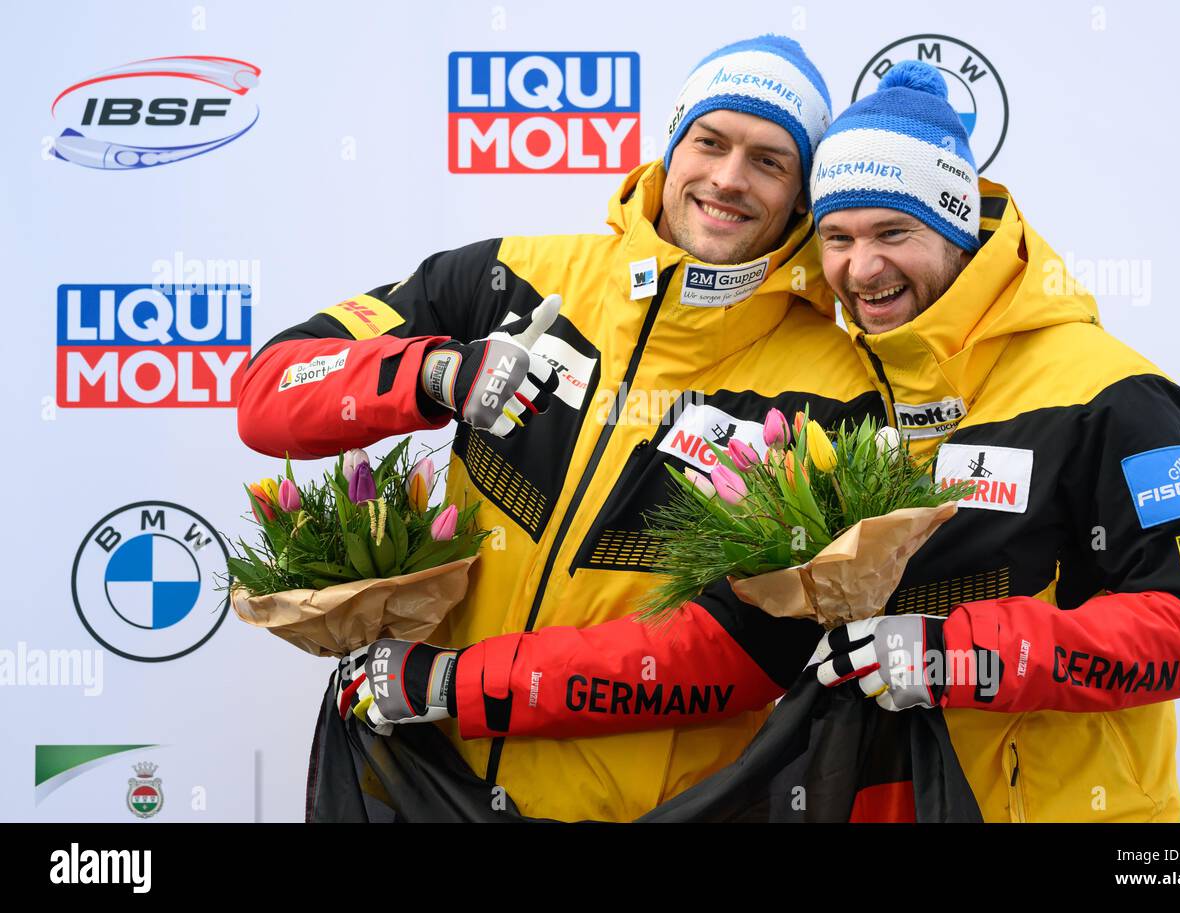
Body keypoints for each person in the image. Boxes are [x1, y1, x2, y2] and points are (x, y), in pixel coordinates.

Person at [237, 35, 885, 822]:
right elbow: (269, 386)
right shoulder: (510, 272)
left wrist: (457, 683)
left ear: (801, 197)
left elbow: (744, 651)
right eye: (709, 142)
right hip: (423, 769)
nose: (728, 178)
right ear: (672, 149)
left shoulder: (837, 388)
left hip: (642, 805)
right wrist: (435, 373)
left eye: (769, 161)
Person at [805, 61, 1180, 821]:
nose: (861, 266)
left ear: (955, 229)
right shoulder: (840, 390)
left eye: (892, 231)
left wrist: (960, 655)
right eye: (836, 237)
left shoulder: (1110, 391)